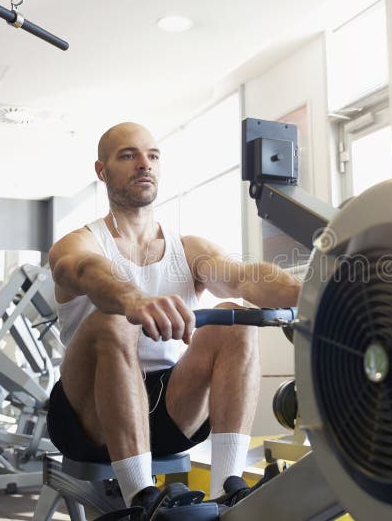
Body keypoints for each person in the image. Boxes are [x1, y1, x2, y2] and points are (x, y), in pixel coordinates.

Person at [47, 122, 301, 517]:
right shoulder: (79, 242)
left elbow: (245, 277)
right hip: (88, 418)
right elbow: (83, 270)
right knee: (113, 321)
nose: (143, 164)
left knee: (233, 320)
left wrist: (316, 297)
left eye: (152, 156)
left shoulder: (189, 250)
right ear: (103, 171)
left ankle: (228, 490)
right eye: (128, 155)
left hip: (170, 411)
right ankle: (140, 502)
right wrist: (132, 300)